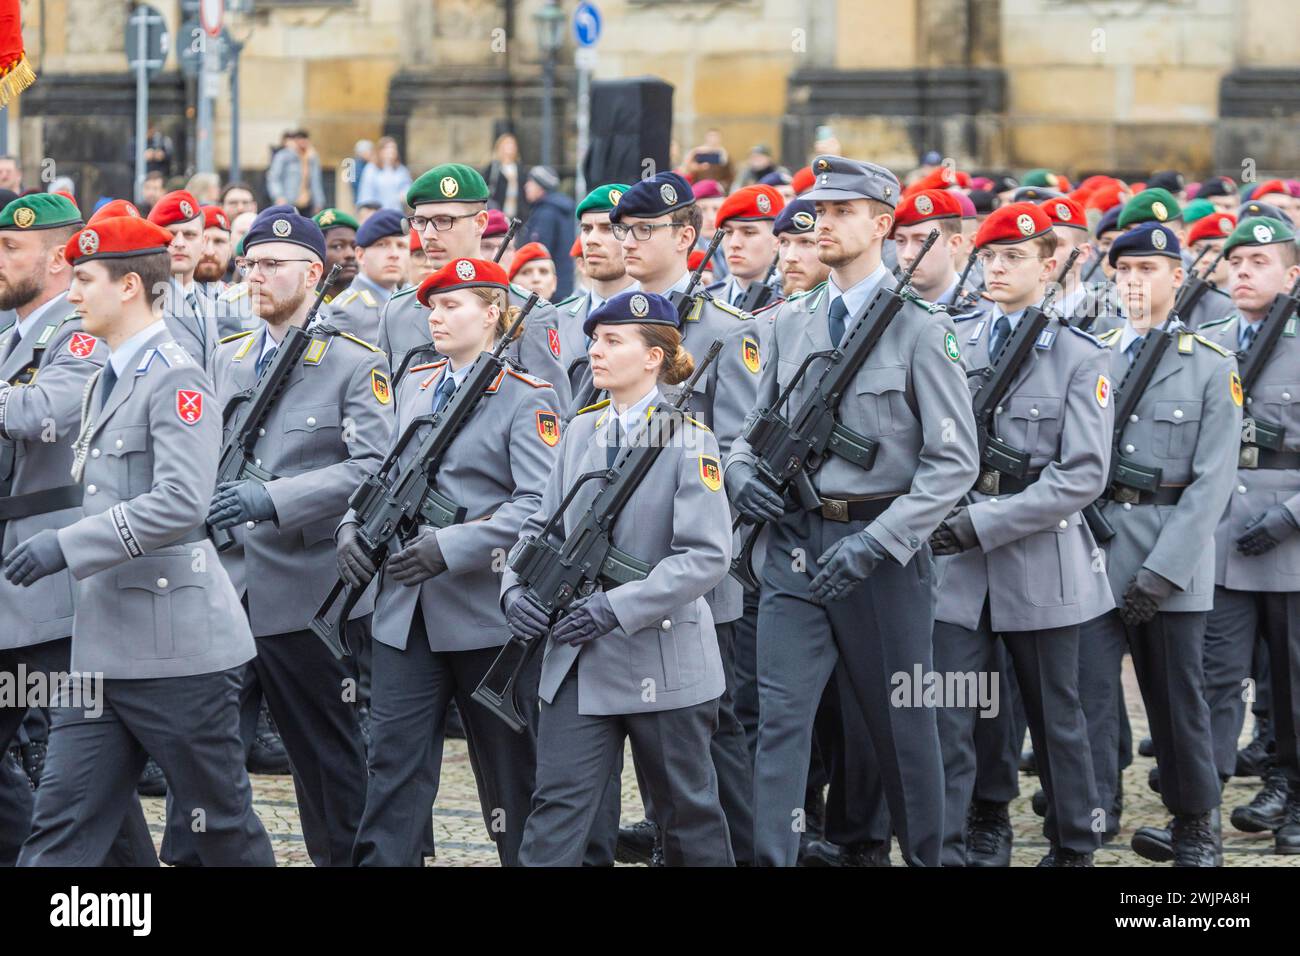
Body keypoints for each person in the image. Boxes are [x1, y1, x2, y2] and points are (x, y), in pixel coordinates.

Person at [726, 155, 979, 867]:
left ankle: (933, 856)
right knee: (778, 722)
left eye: (841, 212)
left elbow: (953, 460)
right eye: (818, 211)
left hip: (882, 551)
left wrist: (881, 544)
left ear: (882, 223)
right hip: (797, 542)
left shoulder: (923, 329)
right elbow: (751, 431)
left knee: (904, 726)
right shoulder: (786, 323)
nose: (824, 223)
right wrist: (742, 474)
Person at [7, 215, 273, 866]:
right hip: (102, 644)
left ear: (129, 286)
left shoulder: (174, 377)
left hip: (175, 650)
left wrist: (68, 546)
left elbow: (182, 502)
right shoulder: (108, 374)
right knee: (62, 829)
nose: (71, 293)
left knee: (221, 829)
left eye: (85, 280)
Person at [504, 289, 735, 866]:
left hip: (661, 655)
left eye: (613, 342)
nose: (596, 352)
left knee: (687, 817)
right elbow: (540, 524)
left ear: (653, 356)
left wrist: (618, 607)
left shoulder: (689, 439)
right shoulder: (580, 432)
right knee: (556, 811)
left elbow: (707, 556)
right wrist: (512, 586)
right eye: (594, 340)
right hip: (578, 658)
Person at [344, 256, 560, 866]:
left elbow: (541, 506)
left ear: (492, 314)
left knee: (509, 771)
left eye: (453, 305)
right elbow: (381, 474)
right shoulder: (413, 382)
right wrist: (351, 524)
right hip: (405, 614)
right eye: (433, 306)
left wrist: (454, 546)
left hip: (484, 614)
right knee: (392, 765)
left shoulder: (527, 398)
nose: (436, 316)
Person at [197, 206, 394, 866]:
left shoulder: (350, 360)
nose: (255, 275)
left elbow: (372, 467)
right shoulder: (229, 356)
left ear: (313, 273)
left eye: (272, 265)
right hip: (227, 585)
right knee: (202, 744)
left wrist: (271, 499)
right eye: (249, 263)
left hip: (307, 591)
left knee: (323, 754)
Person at [930, 202, 1113, 868]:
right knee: (950, 715)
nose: (998, 267)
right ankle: (951, 843)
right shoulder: (956, 338)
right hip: (958, 574)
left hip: (1038, 559)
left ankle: (1072, 846)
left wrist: (980, 522)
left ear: (1049, 262)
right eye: (989, 255)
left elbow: (1082, 476)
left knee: (1056, 718)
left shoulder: (1078, 354)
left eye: (1014, 256)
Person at [605, 171, 759, 865]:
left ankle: (739, 851)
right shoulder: (612, 320)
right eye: (622, 230)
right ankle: (671, 838)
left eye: (643, 231)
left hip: (694, 569)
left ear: (687, 238)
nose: (626, 242)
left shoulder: (727, 332)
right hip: (615, 567)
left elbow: (738, 449)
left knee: (712, 732)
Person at [0, 195, 159, 867]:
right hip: (12, 585)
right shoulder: (11, 337)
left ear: (61, 259)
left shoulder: (80, 334)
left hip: (53, 589)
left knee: (86, 767)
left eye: (10, 247)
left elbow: (45, 413)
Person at [1074, 223, 1239, 867]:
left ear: (1178, 278)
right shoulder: (1093, 351)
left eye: (1149, 270)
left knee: (1176, 701)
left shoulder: (1210, 363)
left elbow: (1213, 481)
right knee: (1085, 692)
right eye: (1124, 272)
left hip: (1170, 553)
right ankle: (1089, 810)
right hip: (1092, 550)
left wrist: (1164, 572)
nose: (1134, 282)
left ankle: (1196, 825)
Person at [1195, 216, 1300, 855]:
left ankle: (1294, 796)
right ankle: (1197, 814)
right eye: (1235, 261)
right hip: (1219, 539)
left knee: (1293, 682)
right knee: (1212, 680)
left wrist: (1290, 518)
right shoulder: (1205, 342)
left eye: (1258, 261)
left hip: (1290, 541)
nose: (1241, 271)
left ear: (1292, 275)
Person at [378, 163, 569, 406]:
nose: (428, 235)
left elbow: (553, 411)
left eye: (443, 220)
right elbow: (382, 409)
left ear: (480, 222)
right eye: (421, 221)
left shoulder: (529, 312)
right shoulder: (397, 311)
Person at [554, 184, 636, 413]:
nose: (591, 240)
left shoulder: (658, 317)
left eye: (608, 228)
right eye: (587, 228)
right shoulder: (554, 318)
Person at [148, 190, 220, 366]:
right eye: (171, 234)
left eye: (189, 235)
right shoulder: (144, 301)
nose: (179, 243)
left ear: (203, 242)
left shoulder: (209, 301)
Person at [326, 209, 408, 343]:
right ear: (360, 255)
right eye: (382, 245)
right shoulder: (345, 311)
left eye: (401, 246)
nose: (394, 254)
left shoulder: (410, 302)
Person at [706, 184, 785, 309]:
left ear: (778, 241)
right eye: (728, 232)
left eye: (749, 233)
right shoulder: (707, 300)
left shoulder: (795, 302)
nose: (734, 244)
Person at [519, 166, 576, 301]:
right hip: (562, 283)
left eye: (531, 182)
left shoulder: (546, 213)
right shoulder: (560, 208)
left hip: (547, 289)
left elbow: (537, 251)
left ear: (541, 187)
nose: (526, 186)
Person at [196, 205, 236, 337]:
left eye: (219, 241)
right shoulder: (170, 298)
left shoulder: (238, 300)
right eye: (203, 241)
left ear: (230, 249)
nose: (210, 251)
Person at [267, 130, 325, 215]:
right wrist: (278, 197)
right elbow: (274, 178)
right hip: (288, 202)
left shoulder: (312, 158)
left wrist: (319, 202)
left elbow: (316, 182)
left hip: (307, 204)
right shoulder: (284, 156)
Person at [312, 208, 360, 303]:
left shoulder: (363, 302)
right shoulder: (302, 303)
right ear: (315, 252)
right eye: (337, 246)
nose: (350, 254)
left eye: (354, 246)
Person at [355, 137, 412, 213]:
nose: (391, 151)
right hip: (377, 214)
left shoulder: (401, 170)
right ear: (380, 151)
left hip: (396, 213)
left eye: (393, 148)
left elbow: (407, 188)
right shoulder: (371, 169)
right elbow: (366, 195)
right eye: (387, 148)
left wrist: (404, 195)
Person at [484, 132, 523, 220]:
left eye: (512, 144)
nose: (509, 147)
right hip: (498, 210)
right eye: (506, 144)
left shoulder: (519, 168)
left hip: (516, 212)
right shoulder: (493, 168)